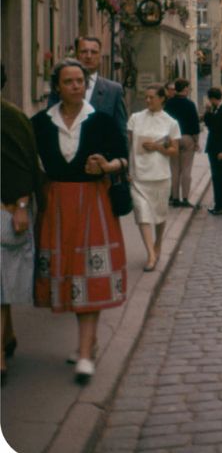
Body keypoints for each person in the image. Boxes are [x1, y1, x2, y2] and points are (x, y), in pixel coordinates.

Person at [31, 59, 128, 384]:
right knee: (69, 277)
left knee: (89, 276)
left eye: (80, 81)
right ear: (57, 87)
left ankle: (85, 352)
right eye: (69, 81)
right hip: (56, 206)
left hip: (92, 204)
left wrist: (107, 165)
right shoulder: (41, 123)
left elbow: (123, 157)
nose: (76, 86)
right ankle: (89, 343)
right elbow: (33, 164)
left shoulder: (99, 121)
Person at [1, 65, 41, 383]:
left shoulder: (12, 118)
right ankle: (8, 337)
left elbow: (26, 164)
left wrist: (22, 205)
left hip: (7, 210)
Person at [128, 86, 180, 271]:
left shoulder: (170, 122)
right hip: (138, 176)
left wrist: (158, 148)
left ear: (161, 99)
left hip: (160, 175)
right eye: (146, 97)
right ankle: (150, 254)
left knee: (159, 215)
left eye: (151, 97)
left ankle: (158, 243)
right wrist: (128, 168)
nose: (147, 101)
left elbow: (174, 150)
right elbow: (129, 145)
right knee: (142, 214)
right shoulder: (135, 118)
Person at [164, 78, 201, 208]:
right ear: (185, 89)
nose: (188, 90)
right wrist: (197, 141)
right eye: (188, 88)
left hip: (173, 138)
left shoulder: (169, 104)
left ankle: (174, 198)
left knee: (174, 170)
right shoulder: (190, 104)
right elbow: (195, 125)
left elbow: (164, 123)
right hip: (187, 138)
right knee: (186, 170)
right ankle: (185, 198)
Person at [203, 88, 222, 215]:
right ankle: (219, 204)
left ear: (212, 99)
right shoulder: (217, 109)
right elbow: (210, 125)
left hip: (220, 151)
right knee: (217, 178)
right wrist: (208, 111)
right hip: (214, 149)